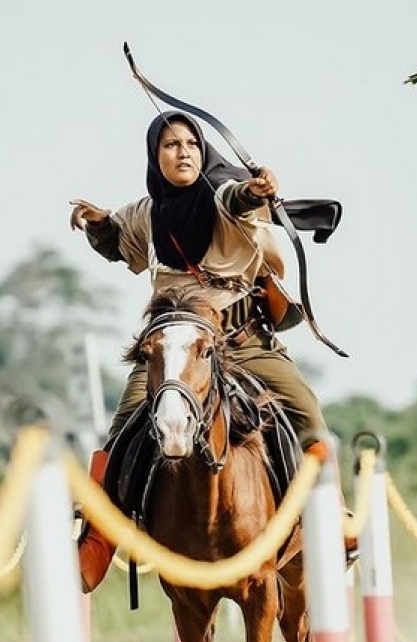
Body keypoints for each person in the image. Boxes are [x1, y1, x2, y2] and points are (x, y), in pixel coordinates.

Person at [70, 110, 356, 593]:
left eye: (190, 144)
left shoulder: (222, 199)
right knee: (121, 432)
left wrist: (256, 190)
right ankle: (98, 542)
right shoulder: (145, 212)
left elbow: (238, 198)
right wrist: (98, 223)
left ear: (203, 152)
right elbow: (121, 246)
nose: (182, 153)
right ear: (154, 155)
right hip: (171, 350)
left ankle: (332, 522)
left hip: (241, 343)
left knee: (306, 411)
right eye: (170, 145)